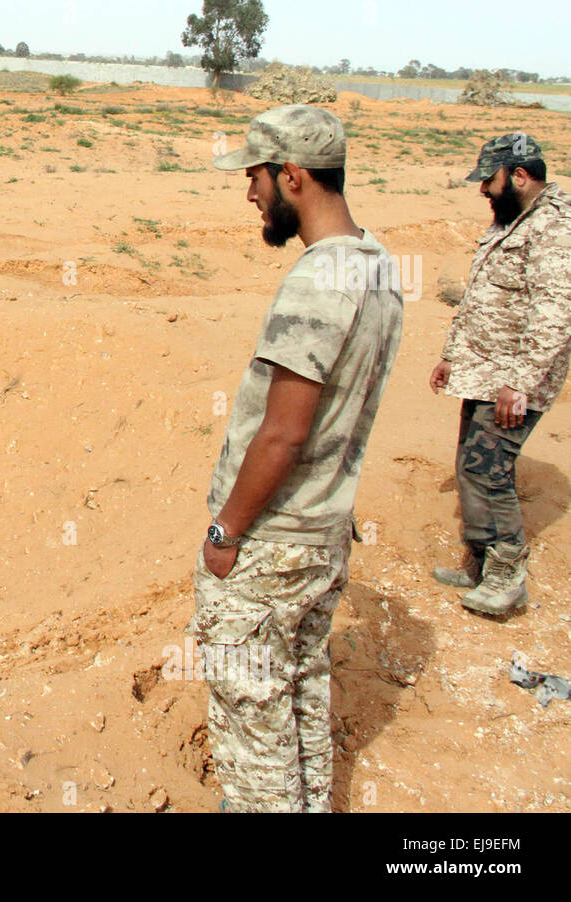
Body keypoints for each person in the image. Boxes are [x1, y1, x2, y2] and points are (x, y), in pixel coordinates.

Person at [190, 105, 403, 812]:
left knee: (254, 733)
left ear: (292, 176)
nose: (249, 193)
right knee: (302, 696)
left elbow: (282, 433)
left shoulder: (319, 280)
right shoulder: (379, 267)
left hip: (271, 545)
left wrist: (226, 534)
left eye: (255, 177)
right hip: (323, 537)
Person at [429, 133, 571, 616]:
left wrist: (521, 383)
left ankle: (509, 576)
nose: (483, 190)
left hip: (513, 381)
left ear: (520, 176)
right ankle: (479, 564)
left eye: (489, 180)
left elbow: (555, 311)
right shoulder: (513, 219)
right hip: (483, 371)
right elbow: (482, 296)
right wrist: (452, 355)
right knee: (470, 464)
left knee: (490, 470)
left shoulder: (555, 227)